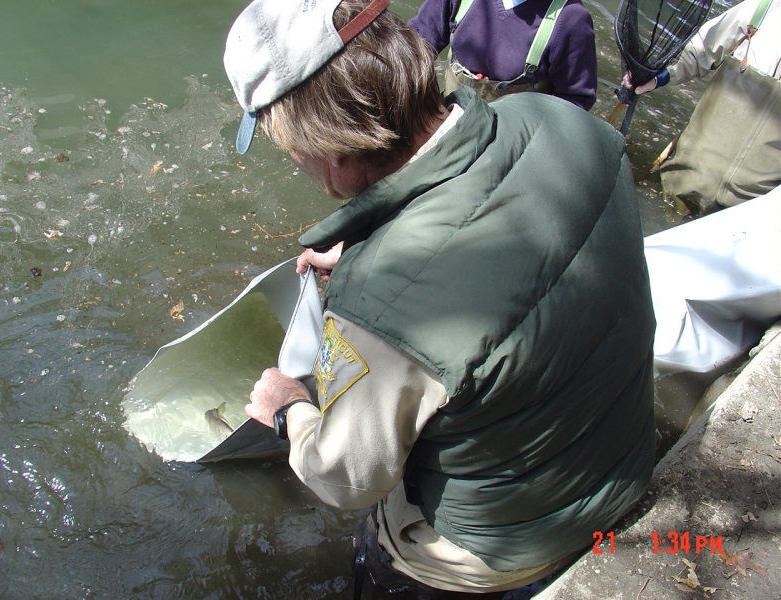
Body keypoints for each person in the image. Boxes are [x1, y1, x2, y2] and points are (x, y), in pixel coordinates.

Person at [224, 0, 655, 596]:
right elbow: (506, 251)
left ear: (331, 152)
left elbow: (346, 478)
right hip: (617, 476)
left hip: (497, 554)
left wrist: (287, 407)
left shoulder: (381, 307)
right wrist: (375, 248)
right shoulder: (562, 121)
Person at [627, 0, 780, 214]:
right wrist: (657, 77)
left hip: (750, 211)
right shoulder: (762, 10)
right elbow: (697, 52)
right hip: (683, 178)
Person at [408, 0, 598, 110]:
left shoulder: (571, 20)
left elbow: (575, 102)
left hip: (510, 148)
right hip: (449, 119)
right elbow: (415, 43)